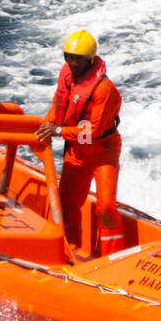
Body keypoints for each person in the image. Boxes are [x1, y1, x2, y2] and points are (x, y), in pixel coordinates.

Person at [33, 31, 124, 255]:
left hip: (103, 152)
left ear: (90, 60)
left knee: (105, 208)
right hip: (77, 152)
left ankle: (113, 256)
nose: (72, 63)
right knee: (67, 203)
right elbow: (59, 106)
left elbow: (91, 132)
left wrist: (59, 131)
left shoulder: (104, 90)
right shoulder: (67, 77)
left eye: (78, 59)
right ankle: (69, 249)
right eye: (68, 57)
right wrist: (45, 127)